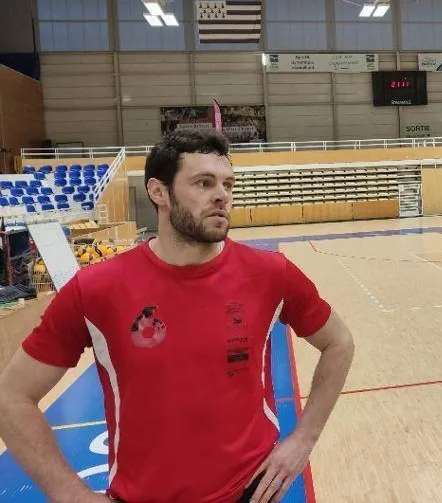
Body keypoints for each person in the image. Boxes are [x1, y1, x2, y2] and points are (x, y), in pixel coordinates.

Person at [0, 129, 355, 503]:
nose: (222, 195)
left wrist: (304, 438)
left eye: (228, 184)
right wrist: (70, 494)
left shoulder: (271, 274)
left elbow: (339, 342)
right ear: (158, 192)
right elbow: (11, 396)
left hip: (251, 491)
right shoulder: (95, 289)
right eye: (203, 183)